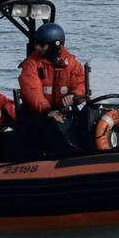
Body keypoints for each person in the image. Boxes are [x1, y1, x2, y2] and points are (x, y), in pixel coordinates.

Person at [18, 23, 87, 157]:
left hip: (63, 112)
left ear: (55, 45)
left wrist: (74, 96)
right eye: (37, 44)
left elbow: (82, 84)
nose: (38, 48)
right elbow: (31, 90)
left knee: (84, 120)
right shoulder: (31, 64)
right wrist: (47, 111)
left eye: (42, 45)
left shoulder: (72, 64)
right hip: (38, 112)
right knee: (41, 125)